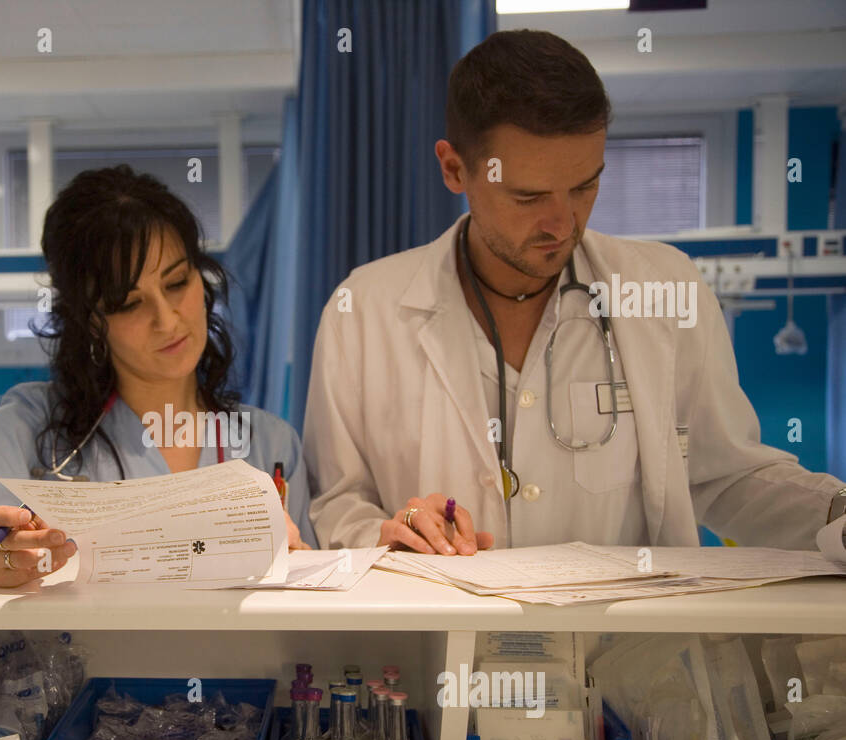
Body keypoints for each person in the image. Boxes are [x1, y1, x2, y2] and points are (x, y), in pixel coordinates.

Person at [304, 28, 845, 555]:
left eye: (585, 185)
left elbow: (728, 477)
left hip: (628, 645)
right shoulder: (363, 313)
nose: (562, 223)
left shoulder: (663, 289)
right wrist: (389, 533)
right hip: (441, 643)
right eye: (528, 196)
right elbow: (336, 504)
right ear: (454, 169)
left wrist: (834, 510)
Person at [0, 165, 315, 586]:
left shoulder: (269, 442)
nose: (167, 321)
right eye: (130, 304)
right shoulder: (39, 425)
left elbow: (319, 595)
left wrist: (297, 559)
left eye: (177, 282)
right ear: (90, 322)